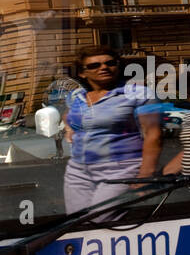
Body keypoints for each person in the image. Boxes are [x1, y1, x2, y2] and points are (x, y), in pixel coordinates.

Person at [62, 45, 163, 216]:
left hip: (121, 169)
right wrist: (69, 127)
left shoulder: (139, 94)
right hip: (78, 170)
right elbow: (69, 117)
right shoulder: (77, 97)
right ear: (82, 73)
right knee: (75, 223)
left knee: (102, 219)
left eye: (110, 63)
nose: (103, 67)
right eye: (94, 65)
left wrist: (146, 173)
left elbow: (153, 135)